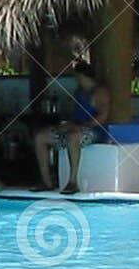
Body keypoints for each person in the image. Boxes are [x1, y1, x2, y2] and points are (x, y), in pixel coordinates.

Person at [33, 66, 109, 196]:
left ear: (82, 75)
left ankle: (73, 182)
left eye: (77, 76)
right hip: (74, 128)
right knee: (41, 137)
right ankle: (46, 181)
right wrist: (66, 124)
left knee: (73, 137)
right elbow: (75, 115)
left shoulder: (100, 92)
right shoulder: (79, 91)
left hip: (93, 131)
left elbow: (103, 116)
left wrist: (82, 126)